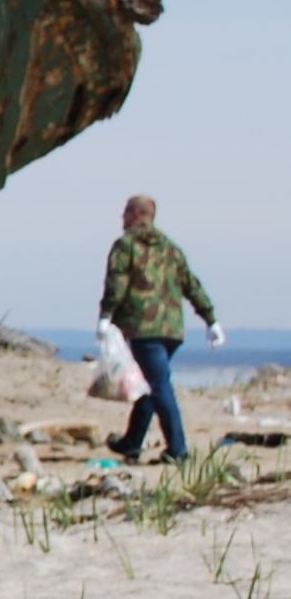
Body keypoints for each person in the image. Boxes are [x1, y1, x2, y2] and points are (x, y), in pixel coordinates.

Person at [102, 194, 222, 464]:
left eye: (125, 213)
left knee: (158, 386)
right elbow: (191, 285)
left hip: (144, 328)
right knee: (149, 382)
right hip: (173, 329)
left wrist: (105, 316)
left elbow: (117, 283)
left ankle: (178, 449)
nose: (122, 219)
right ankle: (132, 441)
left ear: (135, 214)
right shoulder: (170, 248)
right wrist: (210, 319)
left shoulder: (126, 245)